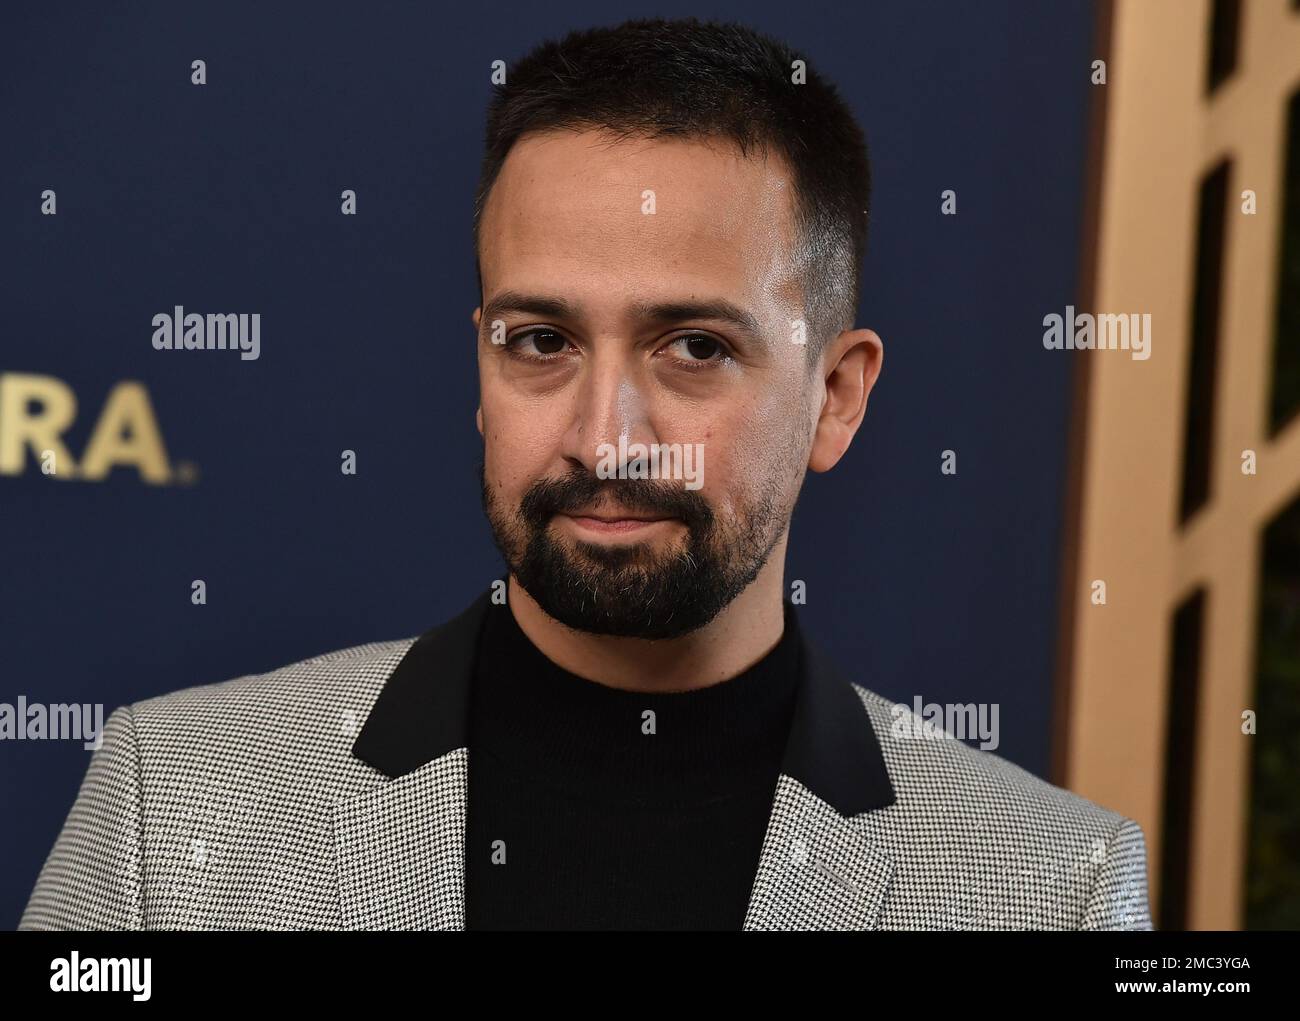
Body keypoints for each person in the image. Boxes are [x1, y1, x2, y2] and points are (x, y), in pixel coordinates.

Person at [20, 16, 1152, 931]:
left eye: (695, 347)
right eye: (542, 342)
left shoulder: (1050, 888)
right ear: (480, 361)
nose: (605, 437)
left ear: (836, 396)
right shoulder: (167, 809)